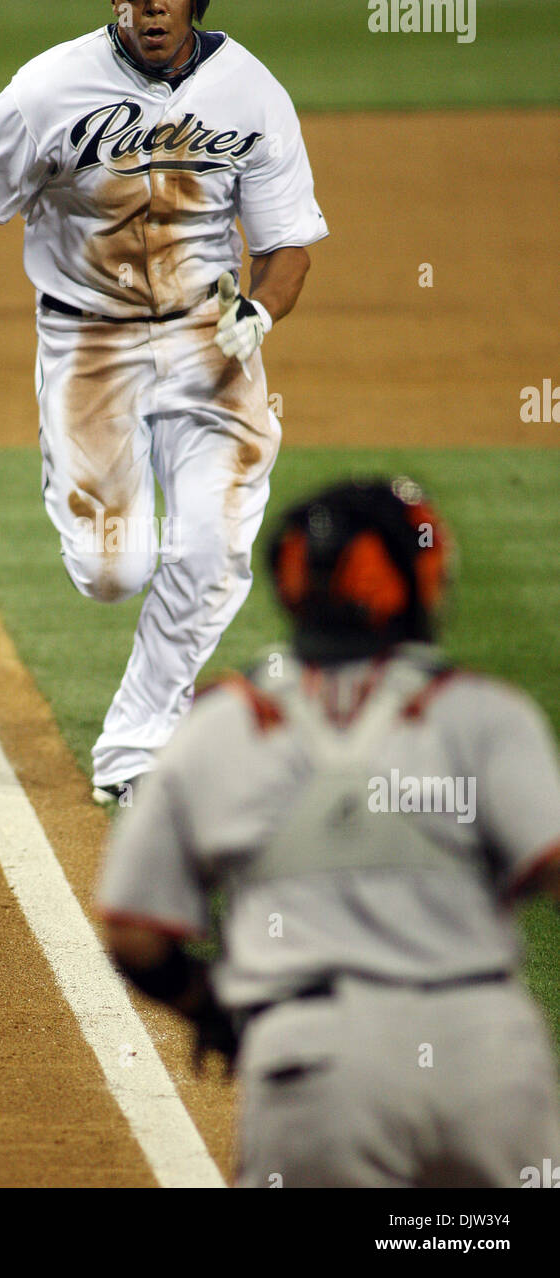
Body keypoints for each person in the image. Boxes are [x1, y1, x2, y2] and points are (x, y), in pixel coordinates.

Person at [0, 0, 328, 803]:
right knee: (115, 572)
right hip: (87, 342)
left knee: (214, 550)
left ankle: (136, 751)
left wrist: (259, 310)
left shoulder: (251, 91)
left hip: (207, 342)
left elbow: (288, 243)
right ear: (114, 2)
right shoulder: (49, 90)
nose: (148, 9)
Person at [97, 476, 560, 1187]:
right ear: (417, 582)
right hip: (488, 1064)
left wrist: (212, 1011)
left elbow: (134, 931)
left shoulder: (221, 723)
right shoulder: (484, 714)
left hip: (314, 1070)